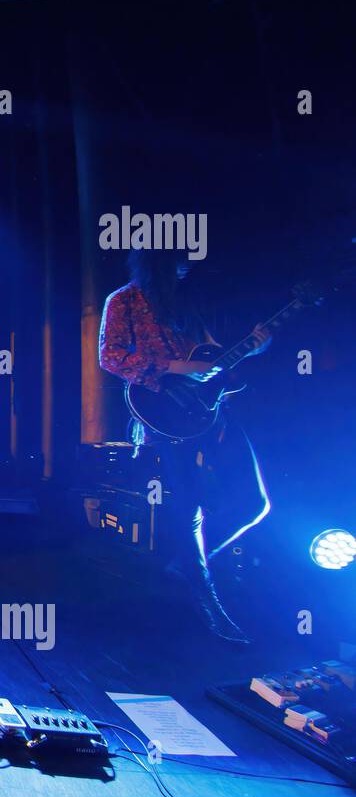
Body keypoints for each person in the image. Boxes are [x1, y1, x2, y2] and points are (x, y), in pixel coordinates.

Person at [99, 249, 271, 642]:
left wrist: (253, 347)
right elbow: (110, 356)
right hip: (161, 410)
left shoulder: (187, 302)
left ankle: (190, 567)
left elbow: (213, 358)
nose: (184, 268)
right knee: (186, 503)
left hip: (209, 411)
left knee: (253, 502)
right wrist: (178, 367)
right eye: (176, 262)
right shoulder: (123, 300)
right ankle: (206, 598)